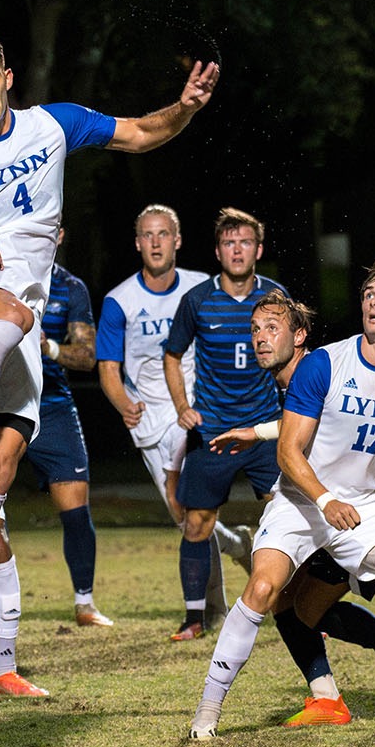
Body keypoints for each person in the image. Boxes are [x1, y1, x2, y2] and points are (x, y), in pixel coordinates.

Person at [0, 32, 219, 692]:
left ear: (7, 76)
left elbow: (143, 132)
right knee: (8, 316)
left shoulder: (52, 126)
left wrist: (186, 108)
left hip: (21, 337)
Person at [187, 262, 375, 739]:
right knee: (269, 595)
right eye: (368, 293)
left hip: (364, 505)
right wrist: (322, 494)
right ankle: (208, 715)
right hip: (302, 503)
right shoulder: (326, 363)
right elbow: (291, 448)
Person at [96, 204, 247, 632]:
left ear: (177, 241)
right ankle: (238, 545)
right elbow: (107, 367)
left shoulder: (203, 287)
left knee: (195, 507)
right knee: (185, 517)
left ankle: (208, 611)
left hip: (198, 411)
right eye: (148, 235)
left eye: (164, 234)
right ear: (138, 243)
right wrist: (122, 402)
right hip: (148, 418)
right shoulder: (119, 301)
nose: (156, 242)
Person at [162, 207, 285, 641]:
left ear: (259, 250)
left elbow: (294, 354)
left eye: (245, 242)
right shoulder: (197, 300)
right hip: (212, 431)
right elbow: (172, 355)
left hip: (265, 432)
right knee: (196, 522)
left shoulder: (275, 298)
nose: (237, 250)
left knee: (287, 518)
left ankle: (296, 610)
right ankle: (195, 617)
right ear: (218, 251)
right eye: (229, 243)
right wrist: (182, 405)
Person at [31, 238, 111, 625]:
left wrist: (50, 349)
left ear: (61, 234)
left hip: (52, 406)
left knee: (76, 507)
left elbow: (87, 356)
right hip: (2, 403)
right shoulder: (1, 274)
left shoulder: (71, 287)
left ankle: (85, 602)